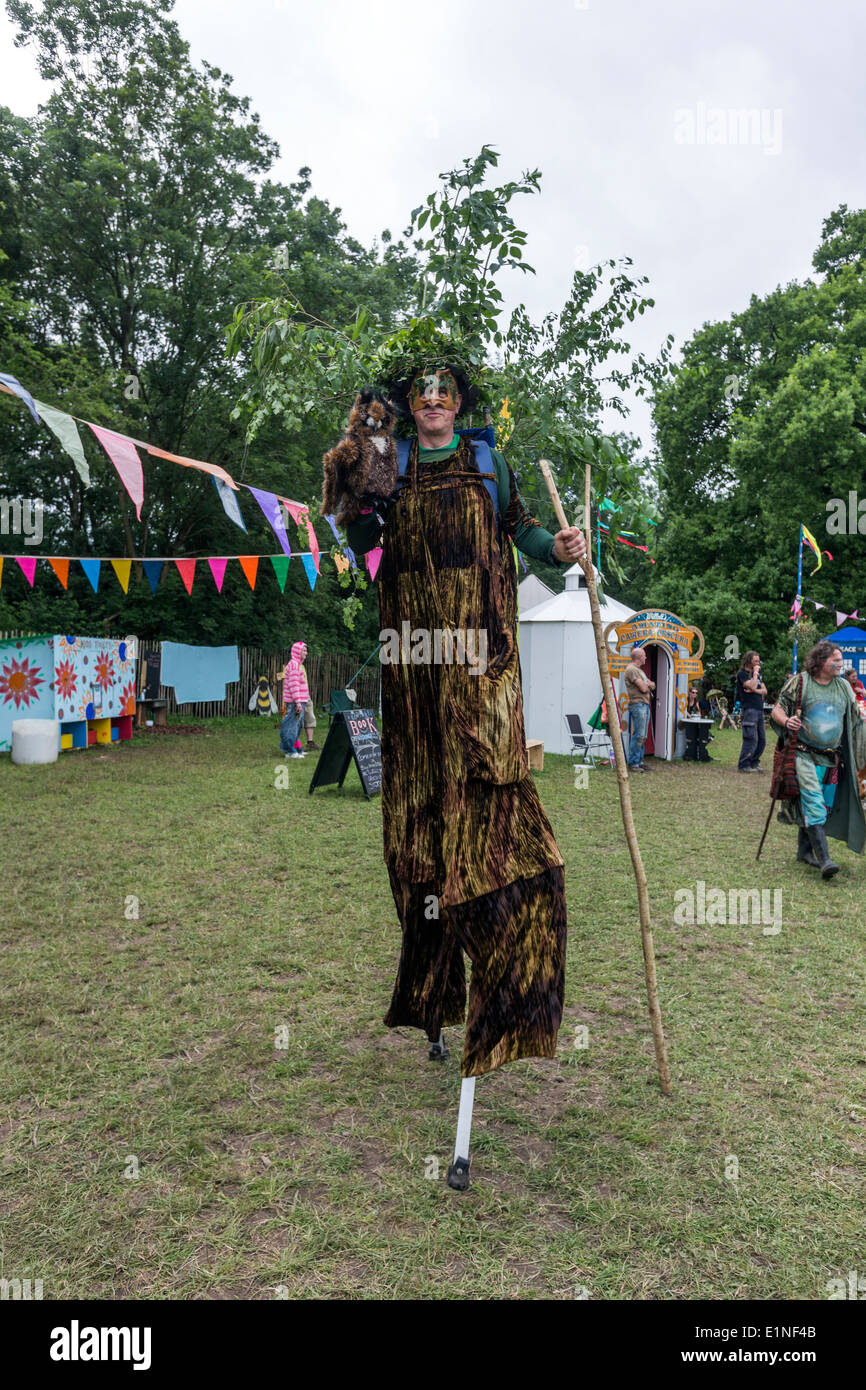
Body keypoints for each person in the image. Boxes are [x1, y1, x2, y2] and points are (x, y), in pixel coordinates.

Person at [342, 357, 586, 1077]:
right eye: (422, 391)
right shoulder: (389, 461)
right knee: (421, 838)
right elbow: (363, 547)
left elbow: (525, 532)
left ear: (461, 400)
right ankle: (434, 998)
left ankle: (508, 991)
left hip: (483, 667)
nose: (434, 400)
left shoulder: (488, 460)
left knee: (492, 817)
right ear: (408, 404)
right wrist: (358, 489)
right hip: (414, 672)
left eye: (445, 390)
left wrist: (560, 548)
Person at [770, 641, 866, 877]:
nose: (840, 664)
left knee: (822, 804)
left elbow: (856, 720)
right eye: (836, 660)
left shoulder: (844, 686)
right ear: (821, 661)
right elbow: (777, 709)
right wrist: (787, 721)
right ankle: (825, 860)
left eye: (841, 660)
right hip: (803, 754)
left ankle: (804, 852)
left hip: (832, 759)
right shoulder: (801, 682)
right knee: (813, 801)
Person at [624, 646, 654, 772]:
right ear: (640, 657)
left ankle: (639, 762)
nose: (646, 658)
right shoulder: (631, 670)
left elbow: (652, 685)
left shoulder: (639, 671)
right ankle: (633, 763)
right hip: (638, 704)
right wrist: (647, 685)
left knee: (643, 735)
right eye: (644, 656)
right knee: (639, 735)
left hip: (644, 704)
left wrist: (648, 684)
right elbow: (643, 688)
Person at [736, 650, 767, 773]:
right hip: (749, 709)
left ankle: (754, 762)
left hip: (759, 709)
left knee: (762, 739)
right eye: (755, 661)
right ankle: (744, 765)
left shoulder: (758, 675)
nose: (758, 663)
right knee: (751, 738)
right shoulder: (742, 674)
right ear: (749, 661)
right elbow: (754, 685)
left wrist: (754, 690)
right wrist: (754, 674)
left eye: (758, 661)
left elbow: (764, 690)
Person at [280, 641, 309, 758]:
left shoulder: (297, 665)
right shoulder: (293, 665)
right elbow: (293, 685)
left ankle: (296, 748)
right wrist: (297, 701)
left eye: (306, 651)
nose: (306, 653)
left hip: (300, 701)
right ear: (297, 651)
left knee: (297, 725)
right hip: (295, 702)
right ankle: (290, 751)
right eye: (304, 650)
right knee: (291, 725)